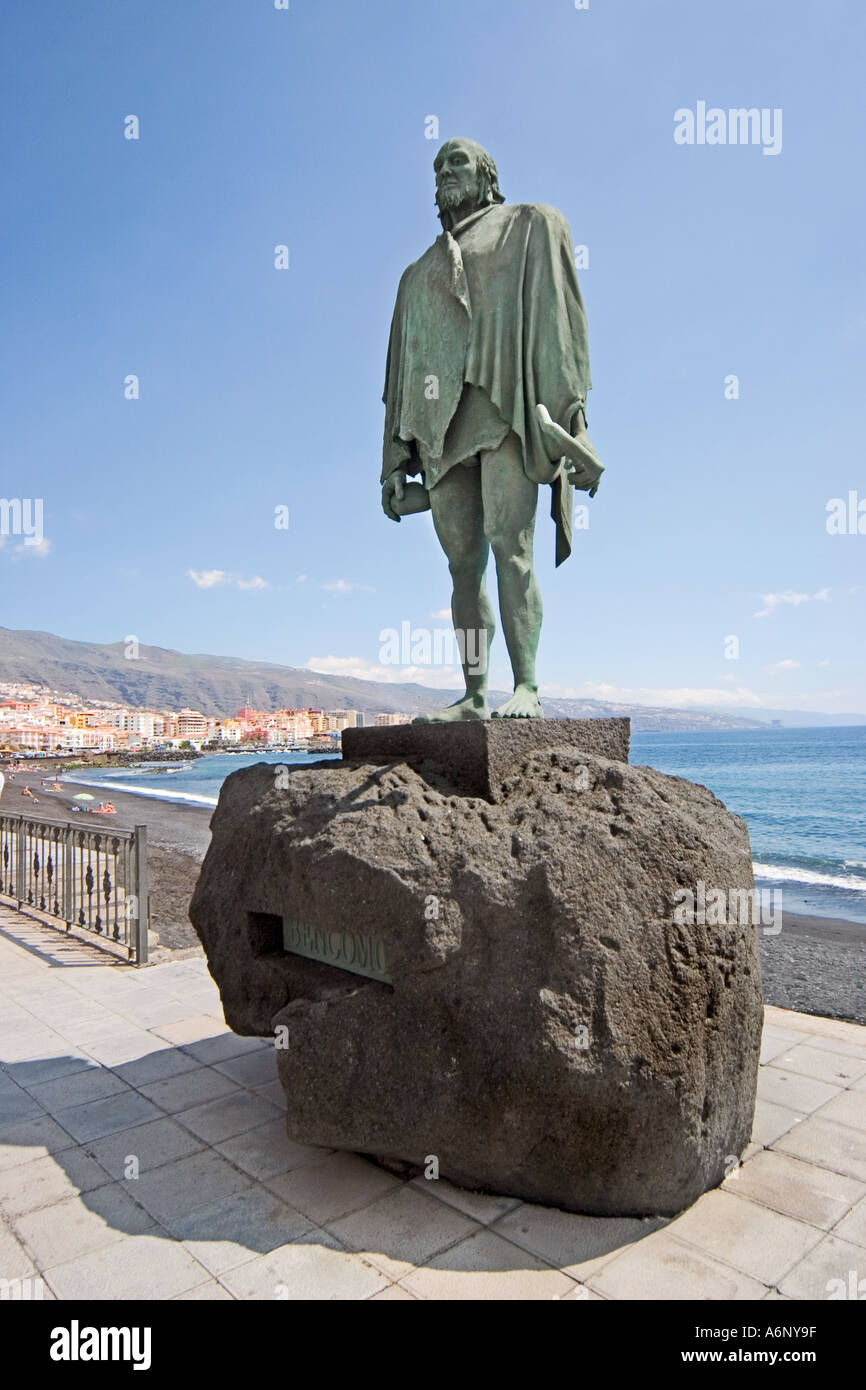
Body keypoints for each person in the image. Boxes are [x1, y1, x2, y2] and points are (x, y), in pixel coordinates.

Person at [381, 137, 597, 721]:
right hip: (439, 428)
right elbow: (399, 373)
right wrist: (394, 460)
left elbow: (562, 328)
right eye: (438, 165)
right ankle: (475, 694)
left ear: (487, 177)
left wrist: (573, 423)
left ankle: (526, 685)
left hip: (503, 411)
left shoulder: (525, 227)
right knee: (461, 564)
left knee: (511, 545)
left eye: (459, 163)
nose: (446, 172)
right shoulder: (416, 274)